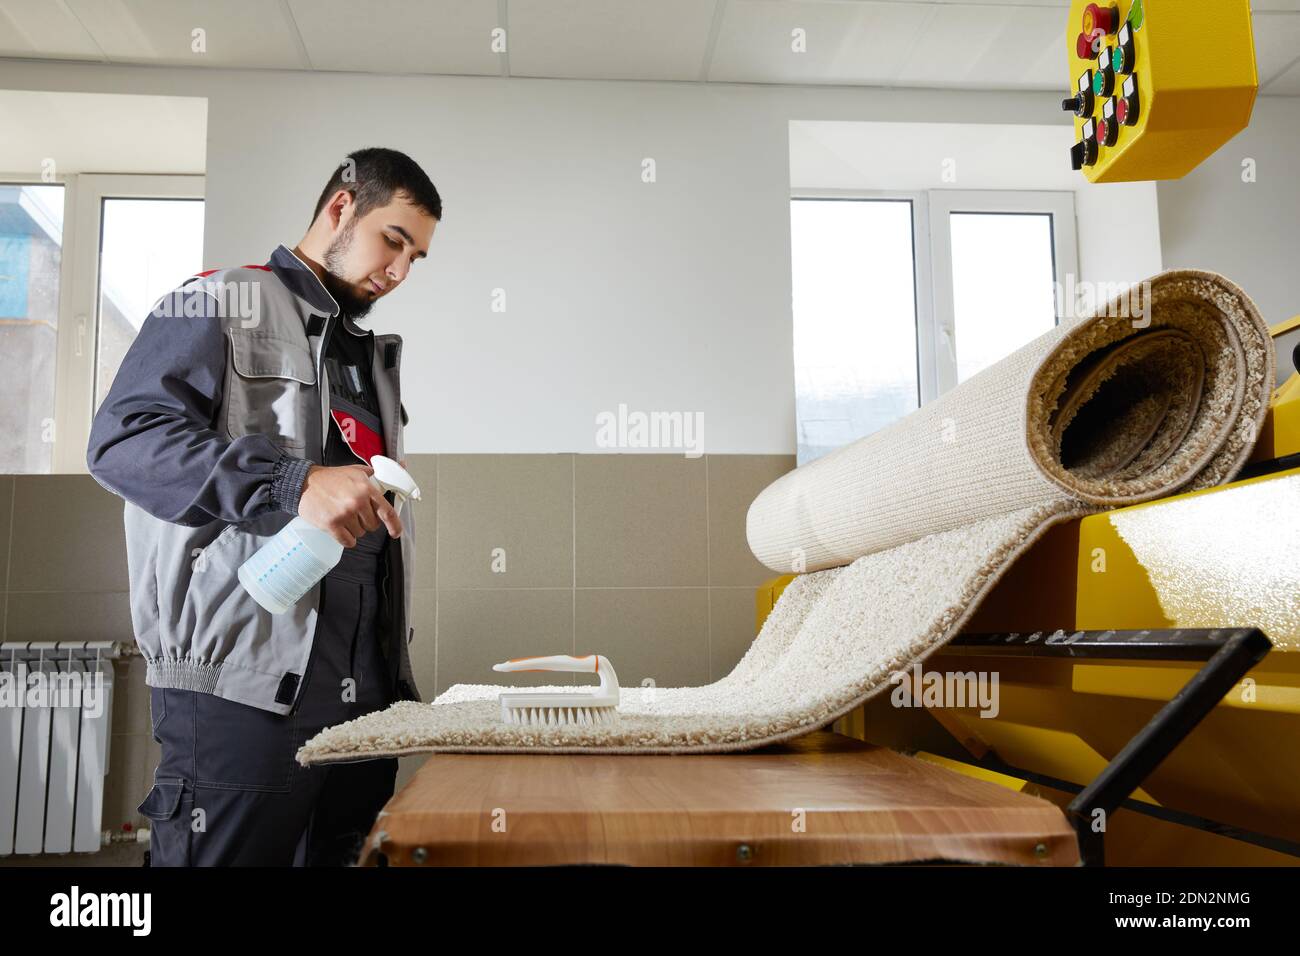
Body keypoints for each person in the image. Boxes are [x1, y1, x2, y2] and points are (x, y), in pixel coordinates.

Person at [86, 147, 440, 866]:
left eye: (416, 258)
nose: (400, 271)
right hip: (242, 697)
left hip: (366, 703)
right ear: (341, 208)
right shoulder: (219, 299)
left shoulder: (369, 361)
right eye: (393, 241)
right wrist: (292, 481)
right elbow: (123, 443)